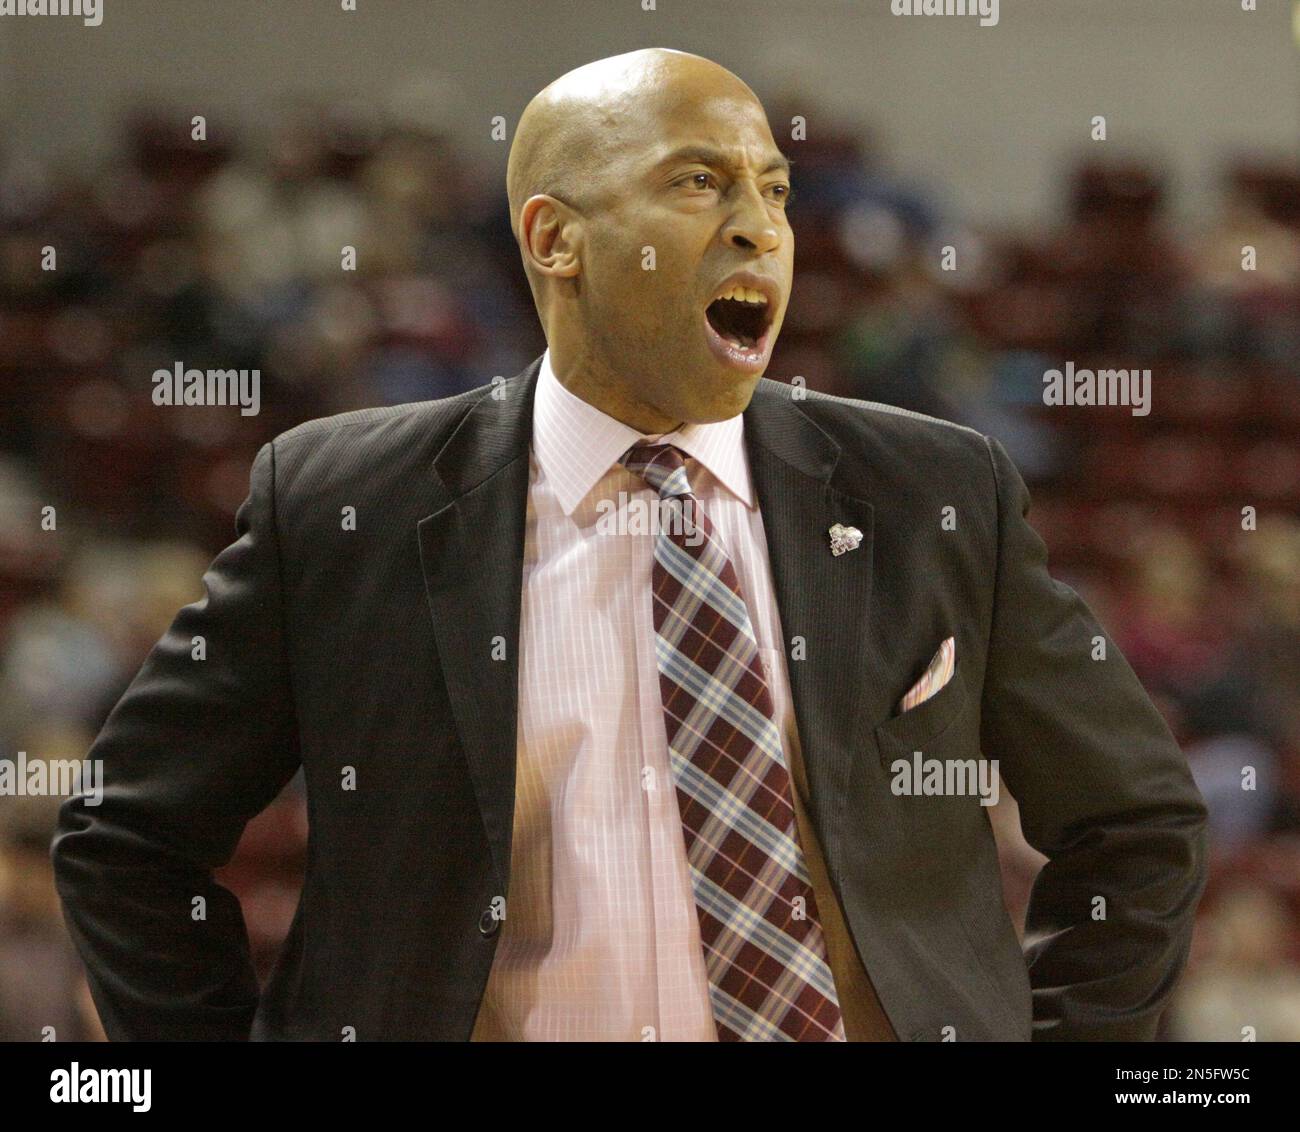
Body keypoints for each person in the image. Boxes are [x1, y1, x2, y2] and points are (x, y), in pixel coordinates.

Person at [51, 47, 1208, 1042]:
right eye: (697, 183)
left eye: (773, 188)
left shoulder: (934, 490)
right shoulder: (342, 504)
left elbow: (1135, 821)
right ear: (555, 237)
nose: (758, 224)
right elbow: (128, 835)